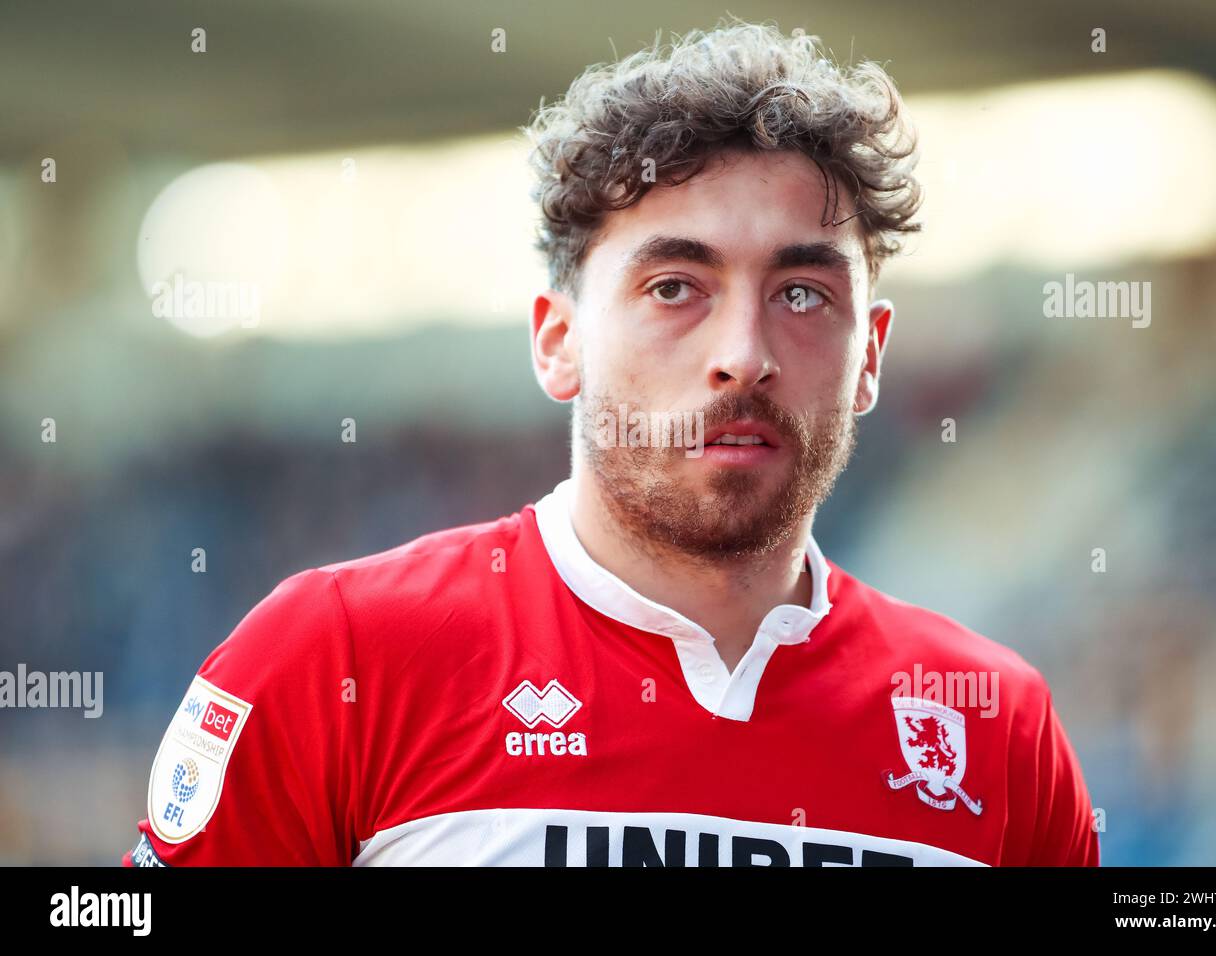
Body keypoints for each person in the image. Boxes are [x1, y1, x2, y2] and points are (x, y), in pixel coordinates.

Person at [124, 19, 1098, 867]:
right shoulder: (334, 658)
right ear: (558, 339)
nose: (743, 355)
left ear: (871, 355)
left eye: (802, 292)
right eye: (675, 285)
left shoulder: (991, 724)